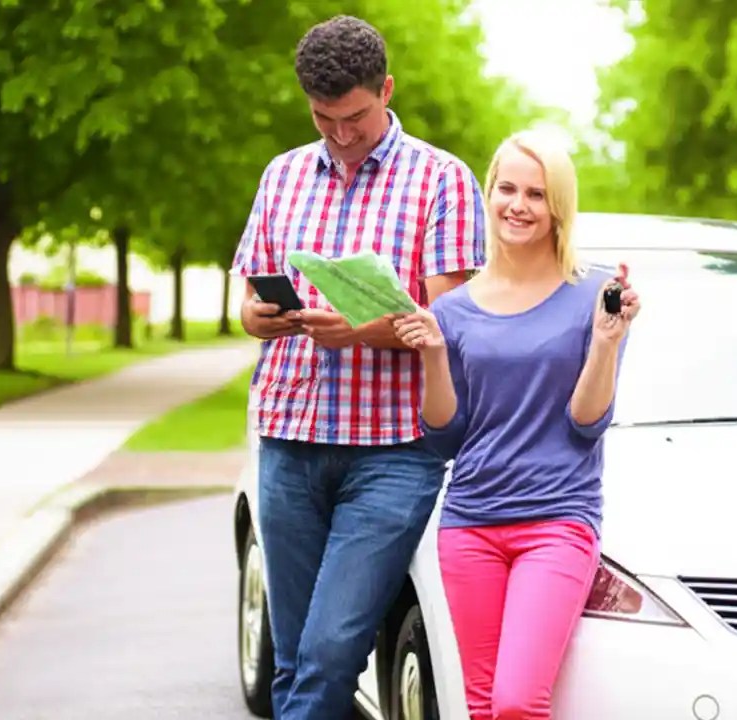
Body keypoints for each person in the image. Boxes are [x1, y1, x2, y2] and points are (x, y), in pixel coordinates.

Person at [229, 15, 486, 720]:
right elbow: (250, 304)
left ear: (387, 91)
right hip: (288, 441)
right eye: (323, 118)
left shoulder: (442, 182)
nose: (341, 134)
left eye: (356, 118)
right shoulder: (282, 176)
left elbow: (453, 326)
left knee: (330, 652)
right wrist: (273, 316)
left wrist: (360, 331)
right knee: (295, 656)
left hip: (393, 456)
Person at [392, 129, 641, 720]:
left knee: (516, 702)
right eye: (508, 188)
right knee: (481, 706)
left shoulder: (594, 296)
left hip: (556, 522)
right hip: (470, 524)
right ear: (490, 193)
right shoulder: (452, 309)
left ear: (558, 208)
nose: (518, 205)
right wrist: (431, 351)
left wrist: (605, 345)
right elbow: (445, 435)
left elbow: (587, 422)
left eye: (536, 193)